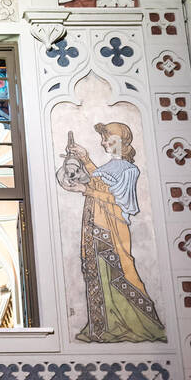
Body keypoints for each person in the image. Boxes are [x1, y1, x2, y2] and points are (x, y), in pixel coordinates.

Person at [64, 122, 166, 343]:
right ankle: (102, 326)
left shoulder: (129, 170)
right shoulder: (109, 167)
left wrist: (85, 189)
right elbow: (98, 182)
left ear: (121, 141)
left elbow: (119, 202)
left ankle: (137, 323)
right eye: (102, 138)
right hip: (95, 226)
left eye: (107, 138)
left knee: (121, 270)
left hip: (112, 229)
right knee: (97, 274)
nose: (103, 142)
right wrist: (84, 158)